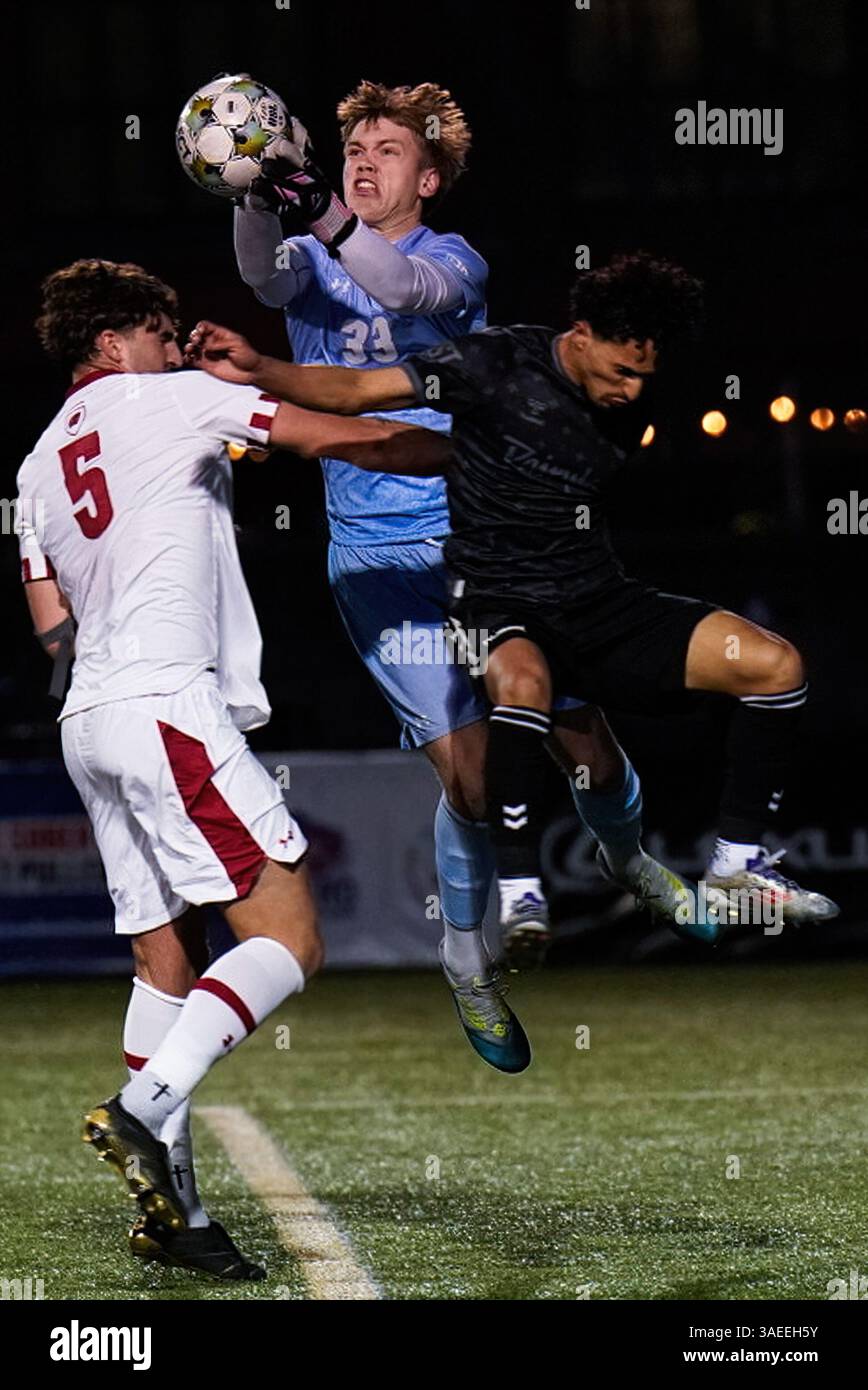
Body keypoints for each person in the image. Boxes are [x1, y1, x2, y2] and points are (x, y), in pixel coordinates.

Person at [234, 83, 712, 1065]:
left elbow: (406, 294)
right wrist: (248, 181)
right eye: (351, 147)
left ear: (431, 175)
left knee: (587, 747)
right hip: (377, 560)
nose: (362, 162)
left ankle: (629, 860)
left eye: (385, 151)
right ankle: (465, 963)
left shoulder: (453, 262)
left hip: (487, 531)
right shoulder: (309, 263)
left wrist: (313, 196)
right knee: (467, 774)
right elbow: (258, 271)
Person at [184, 250, 839, 931]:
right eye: (622, 370)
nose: (633, 390)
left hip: (597, 600)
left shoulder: (639, 392)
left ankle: (736, 867)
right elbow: (356, 391)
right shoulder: (493, 362)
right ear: (580, 336)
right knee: (521, 689)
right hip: (500, 602)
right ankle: (521, 894)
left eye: (645, 375)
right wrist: (260, 370)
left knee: (774, 666)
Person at [16, 258, 447, 1279]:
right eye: (164, 332)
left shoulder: (35, 465)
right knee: (290, 937)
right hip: (168, 706)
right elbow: (353, 437)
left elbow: (52, 633)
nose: (182, 346)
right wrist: (479, 451)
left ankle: (180, 1219)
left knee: (166, 965)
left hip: (90, 720)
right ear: (116, 341)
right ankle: (140, 1107)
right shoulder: (174, 396)